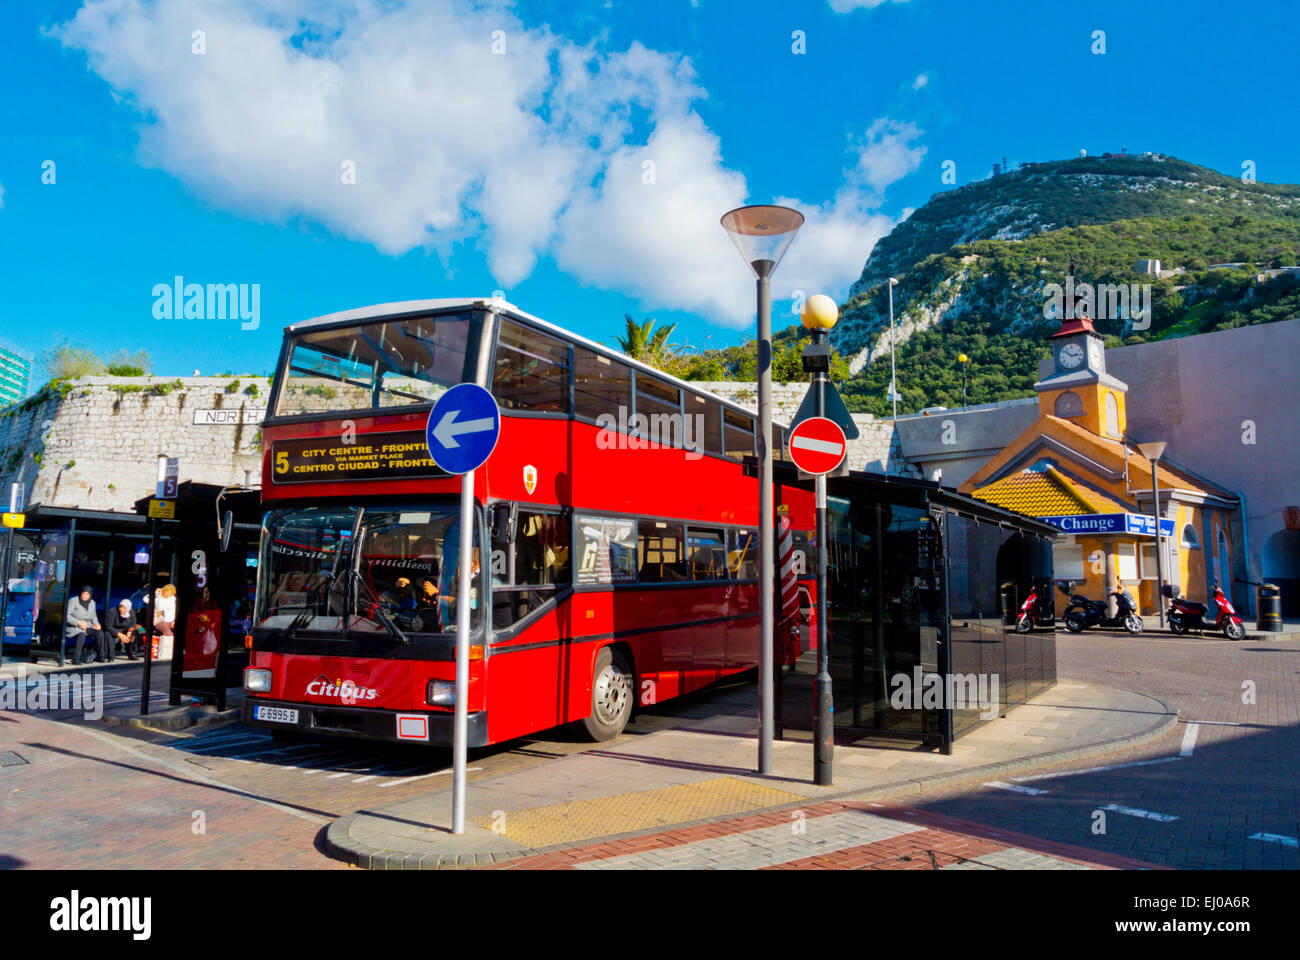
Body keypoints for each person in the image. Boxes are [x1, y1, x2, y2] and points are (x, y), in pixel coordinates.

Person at [64, 586, 102, 665]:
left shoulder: (92, 603)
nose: (85, 596)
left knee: (100, 633)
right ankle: (76, 659)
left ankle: (100, 656)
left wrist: (96, 623)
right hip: (74, 627)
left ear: (90, 595)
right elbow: (66, 615)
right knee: (81, 635)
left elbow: (94, 616)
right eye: (83, 593)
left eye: (87, 594)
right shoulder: (73, 601)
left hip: (87, 626)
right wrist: (78, 622)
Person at [154, 583, 177, 659]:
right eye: (167, 591)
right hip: (160, 620)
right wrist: (157, 593)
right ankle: (164, 654)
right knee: (168, 633)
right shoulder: (159, 598)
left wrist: (173, 622)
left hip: (170, 621)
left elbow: (175, 611)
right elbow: (146, 599)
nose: (168, 593)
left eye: (170, 592)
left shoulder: (173, 599)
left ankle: (172, 652)